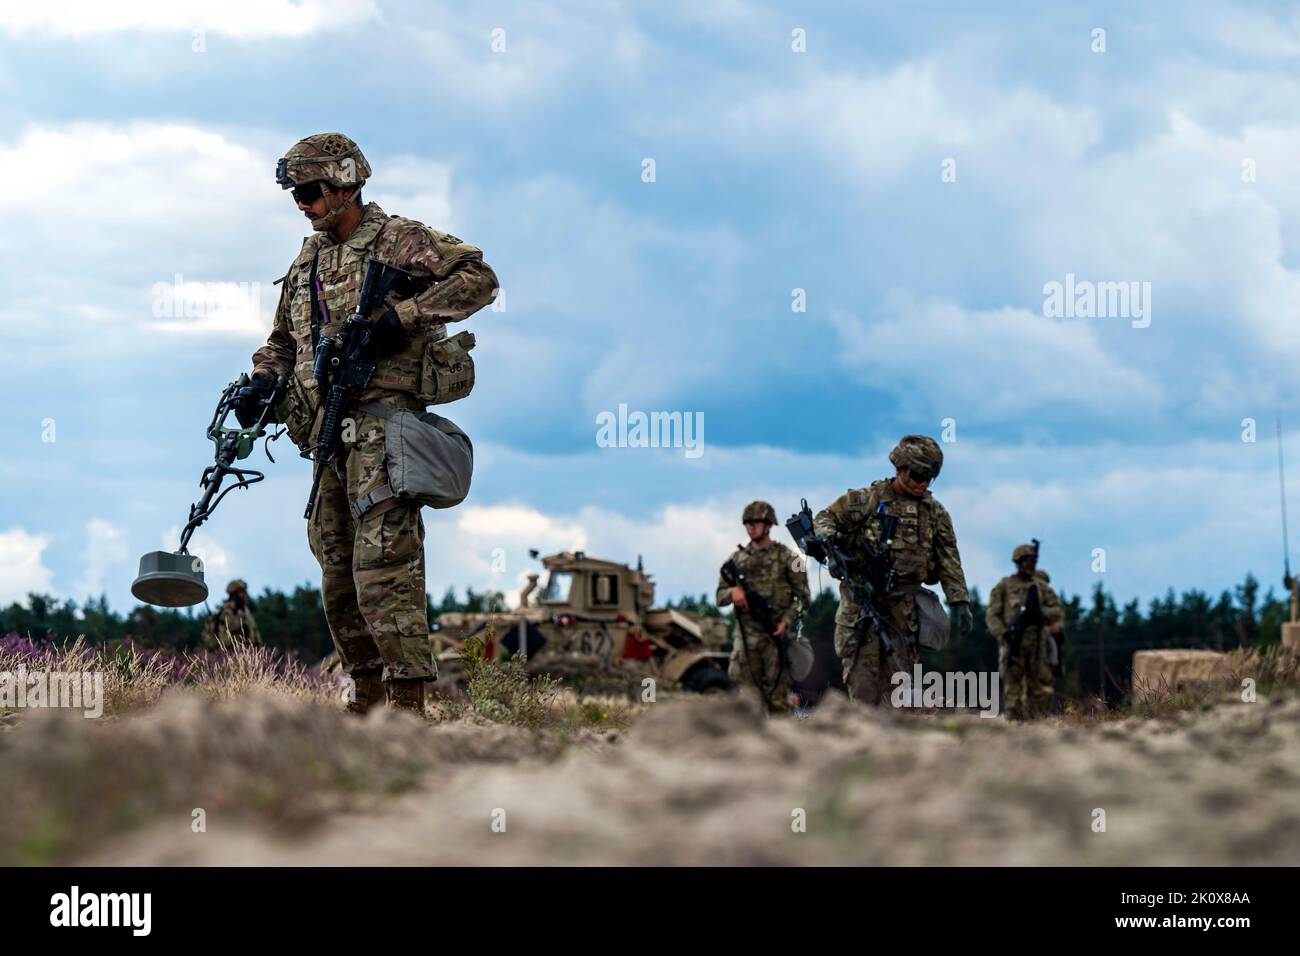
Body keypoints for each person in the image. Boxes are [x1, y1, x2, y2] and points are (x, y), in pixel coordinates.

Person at [240, 133, 498, 714]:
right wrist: (262, 380)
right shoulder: (308, 260)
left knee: (384, 568)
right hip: (327, 437)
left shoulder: (398, 239)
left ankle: (406, 706)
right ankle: (367, 696)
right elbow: (281, 341)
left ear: (345, 183)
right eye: (295, 194)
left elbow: (478, 279)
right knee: (336, 570)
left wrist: (401, 319)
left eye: (309, 191)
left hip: (384, 433)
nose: (301, 204)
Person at [813, 435, 972, 704]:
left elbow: (948, 559)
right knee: (863, 684)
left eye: (929, 477)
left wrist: (959, 600)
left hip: (903, 611)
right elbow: (824, 520)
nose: (923, 482)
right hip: (861, 605)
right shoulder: (867, 500)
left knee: (900, 688)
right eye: (918, 474)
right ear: (900, 468)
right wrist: (835, 549)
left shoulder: (935, 513)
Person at [715, 501, 811, 711]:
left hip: (776, 638)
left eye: (756, 522)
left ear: (769, 525)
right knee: (749, 703)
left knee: (778, 701)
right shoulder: (736, 560)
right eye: (747, 523)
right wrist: (733, 592)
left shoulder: (788, 558)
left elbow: (804, 598)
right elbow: (719, 597)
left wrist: (786, 622)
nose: (751, 527)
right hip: (746, 640)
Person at [987, 545, 1064, 719]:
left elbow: (1057, 611)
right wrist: (1003, 634)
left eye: (1034, 561)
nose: (1032, 565)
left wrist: (1039, 614)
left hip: (1038, 643)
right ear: (1019, 562)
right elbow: (993, 615)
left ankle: (1037, 726)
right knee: (1012, 689)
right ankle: (1014, 724)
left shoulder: (1041, 587)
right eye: (1029, 561)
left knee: (1039, 689)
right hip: (1013, 643)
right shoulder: (1004, 586)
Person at [202, 579, 261, 650]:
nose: (244, 595)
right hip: (233, 653)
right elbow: (224, 638)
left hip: (249, 653)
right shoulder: (228, 612)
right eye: (241, 592)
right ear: (234, 593)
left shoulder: (244, 611)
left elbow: (255, 634)